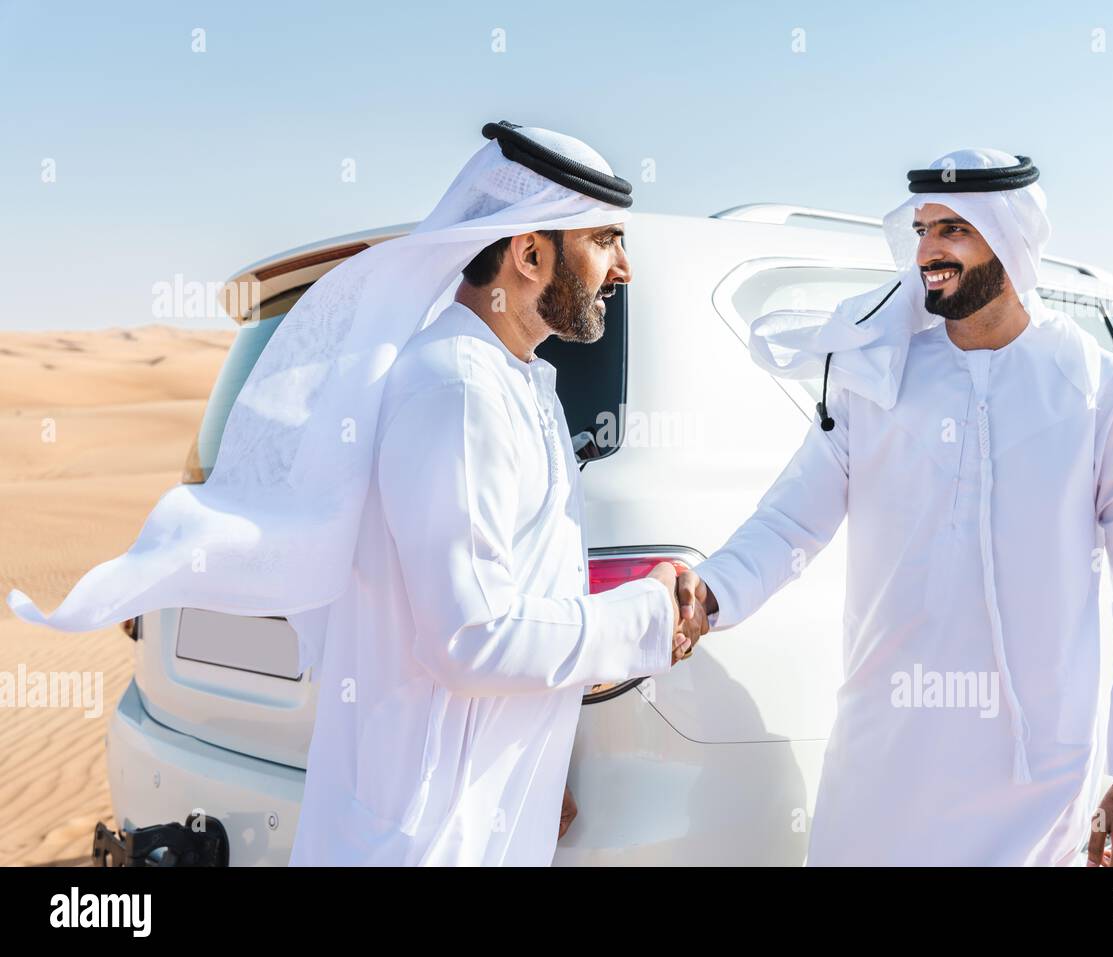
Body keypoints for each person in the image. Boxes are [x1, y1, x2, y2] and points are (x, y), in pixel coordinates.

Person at [9, 121, 691, 866]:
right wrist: (649, 614)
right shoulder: (455, 390)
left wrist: (530, 755)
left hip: (471, 804)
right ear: (530, 253)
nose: (622, 267)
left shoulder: (515, 383)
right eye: (603, 240)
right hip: (428, 831)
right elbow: (472, 637)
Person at [673, 149, 1113, 866]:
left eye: (953, 230)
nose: (927, 251)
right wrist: (713, 590)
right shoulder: (874, 376)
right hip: (886, 758)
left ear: (1009, 241)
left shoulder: (1102, 391)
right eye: (921, 229)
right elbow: (792, 520)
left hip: (1033, 769)